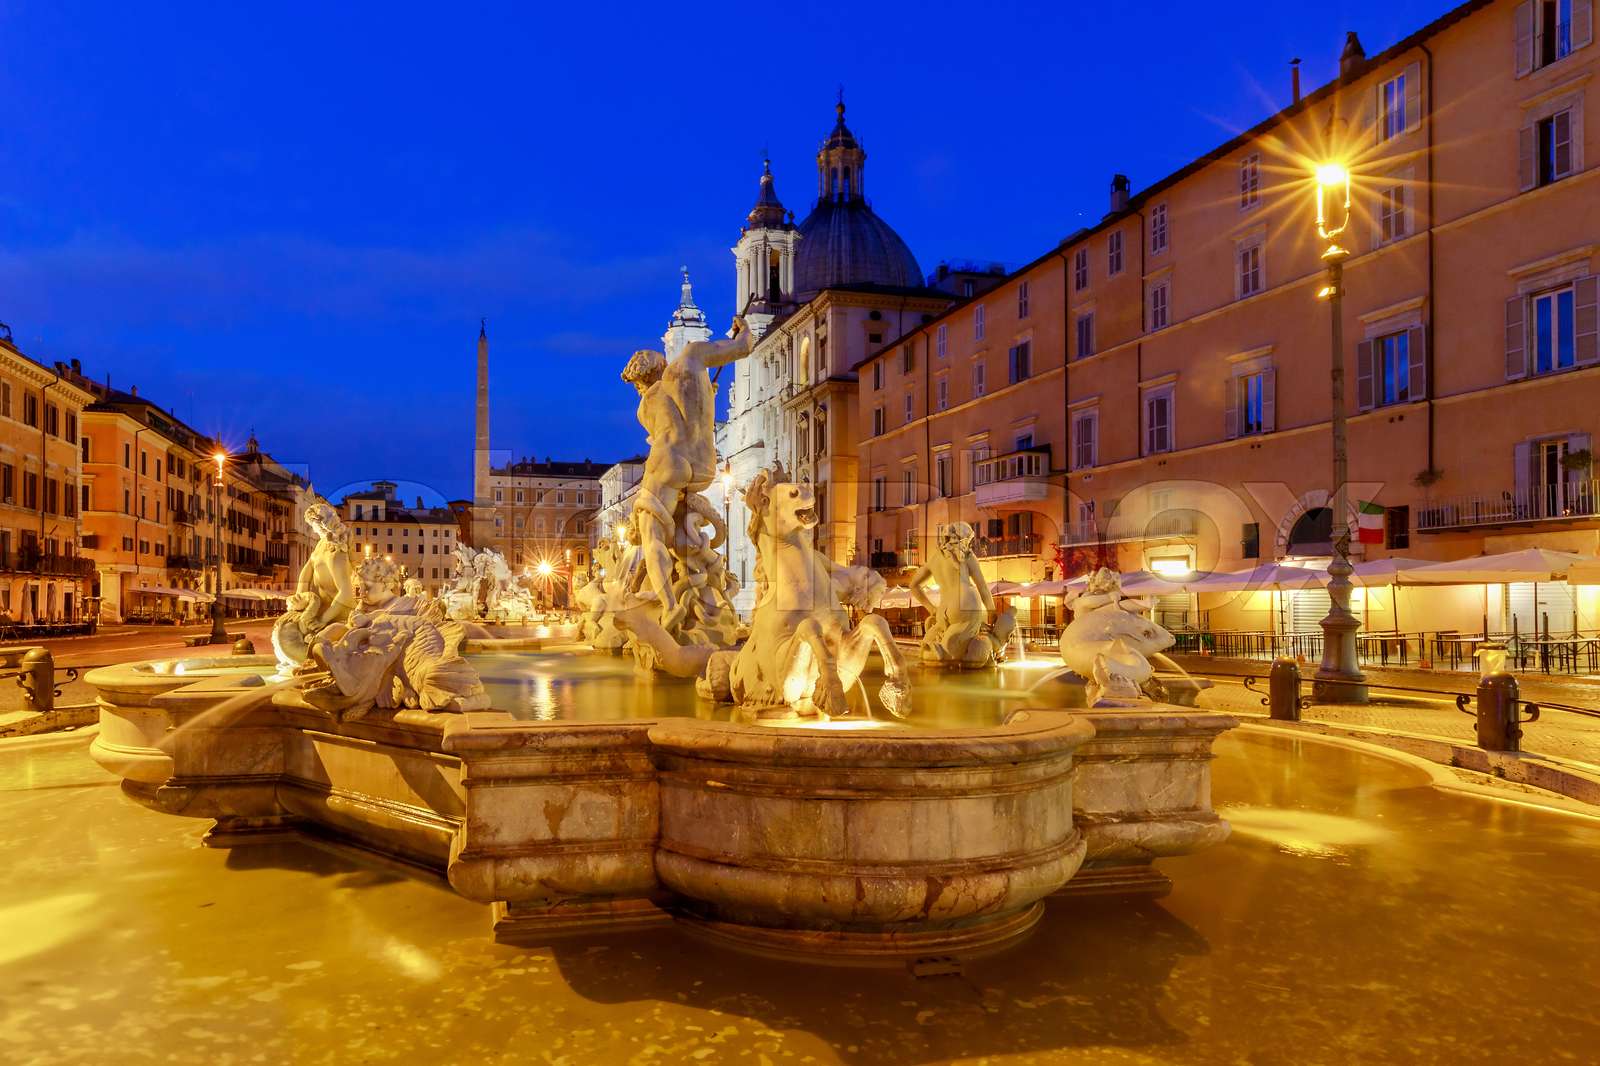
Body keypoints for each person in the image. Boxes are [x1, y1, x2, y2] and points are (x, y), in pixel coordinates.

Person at [621, 319, 750, 628]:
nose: (639, 391)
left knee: (651, 535)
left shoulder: (644, 407)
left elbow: (661, 432)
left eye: (637, 386)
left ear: (640, 380)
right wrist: (743, 329)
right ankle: (698, 586)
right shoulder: (691, 361)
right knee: (678, 530)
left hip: (667, 464)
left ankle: (669, 605)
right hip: (702, 465)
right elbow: (743, 347)